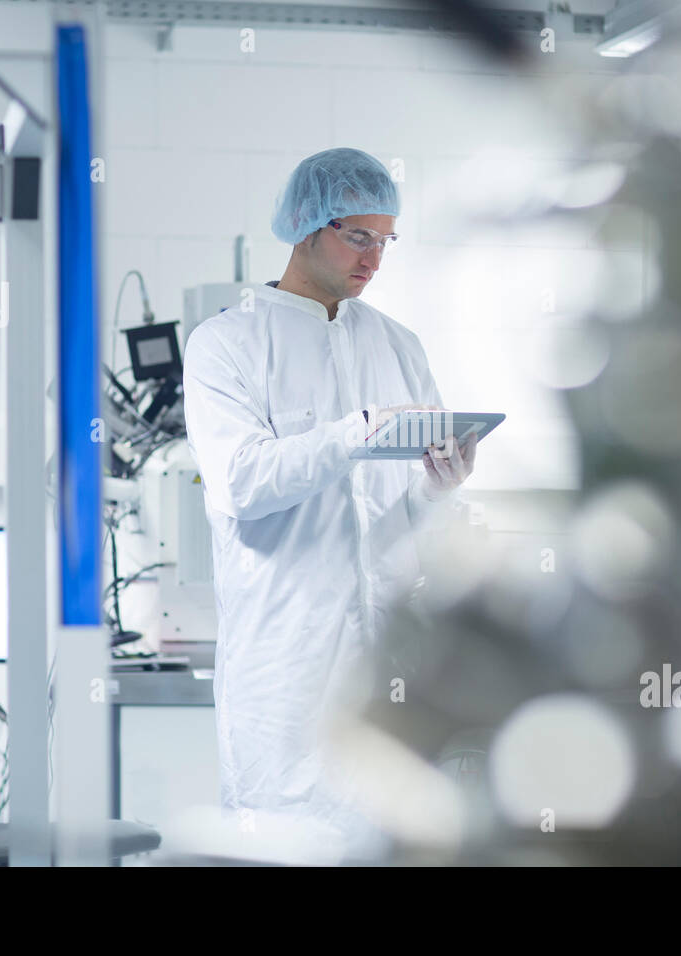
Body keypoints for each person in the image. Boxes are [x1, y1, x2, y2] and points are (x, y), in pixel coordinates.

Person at [181, 147, 476, 852]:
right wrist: (353, 435)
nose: (374, 258)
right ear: (307, 227)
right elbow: (243, 484)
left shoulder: (399, 348)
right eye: (359, 237)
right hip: (286, 674)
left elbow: (400, 523)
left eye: (386, 241)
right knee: (289, 847)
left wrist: (438, 487)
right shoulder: (228, 344)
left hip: (385, 672)